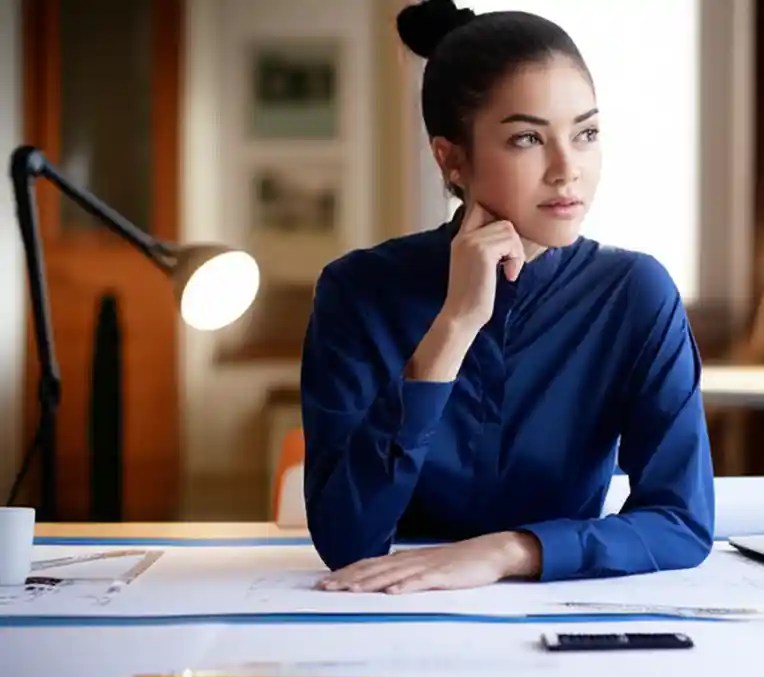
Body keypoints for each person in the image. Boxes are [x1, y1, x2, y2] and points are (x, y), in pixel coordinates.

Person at [300, 0, 714, 594]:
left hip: (560, 605)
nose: (567, 169)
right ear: (451, 158)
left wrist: (509, 551)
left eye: (586, 133)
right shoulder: (359, 291)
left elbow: (681, 523)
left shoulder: (635, 293)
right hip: (391, 608)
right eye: (527, 138)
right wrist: (454, 327)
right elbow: (346, 542)